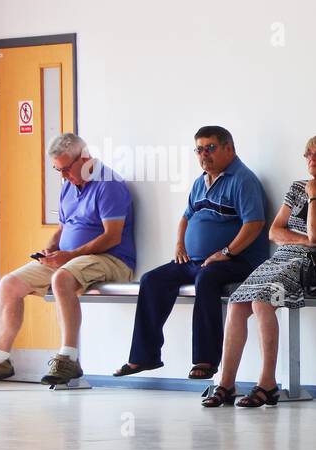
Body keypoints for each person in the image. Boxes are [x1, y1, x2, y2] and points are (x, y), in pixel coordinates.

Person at [0, 133, 134, 387]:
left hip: (110, 259)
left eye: (66, 169)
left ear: (84, 159)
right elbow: (64, 228)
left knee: (62, 277)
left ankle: (68, 358)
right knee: (9, 283)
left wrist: (71, 255)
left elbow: (112, 236)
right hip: (71, 260)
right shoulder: (68, 187)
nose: (63, 176)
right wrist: (50, 248)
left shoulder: (108, 185)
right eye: (58, 170)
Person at [203, 136, 316, 408]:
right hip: (282, 257)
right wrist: (305, 239)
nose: (311, 159)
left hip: (310, 262)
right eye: (307, 154)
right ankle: (225, 383)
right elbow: (274, 231)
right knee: (238, 302)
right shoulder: (296, 188)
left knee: (262, 300)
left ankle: (267, 383)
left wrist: (314, 196)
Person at [115, 126, 268, 380]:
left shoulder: (243, 180)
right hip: (196, 260)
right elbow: (186, 217)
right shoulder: (200, 182)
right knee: (152, 280)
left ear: (229, 148)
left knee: (206, 279)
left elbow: (254, 224)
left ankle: (205, 360)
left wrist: (227, 252)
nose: (204, 155)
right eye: (199, 150)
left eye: (210, 148)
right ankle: (144, 357)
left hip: (238, 260)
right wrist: (179, 245)